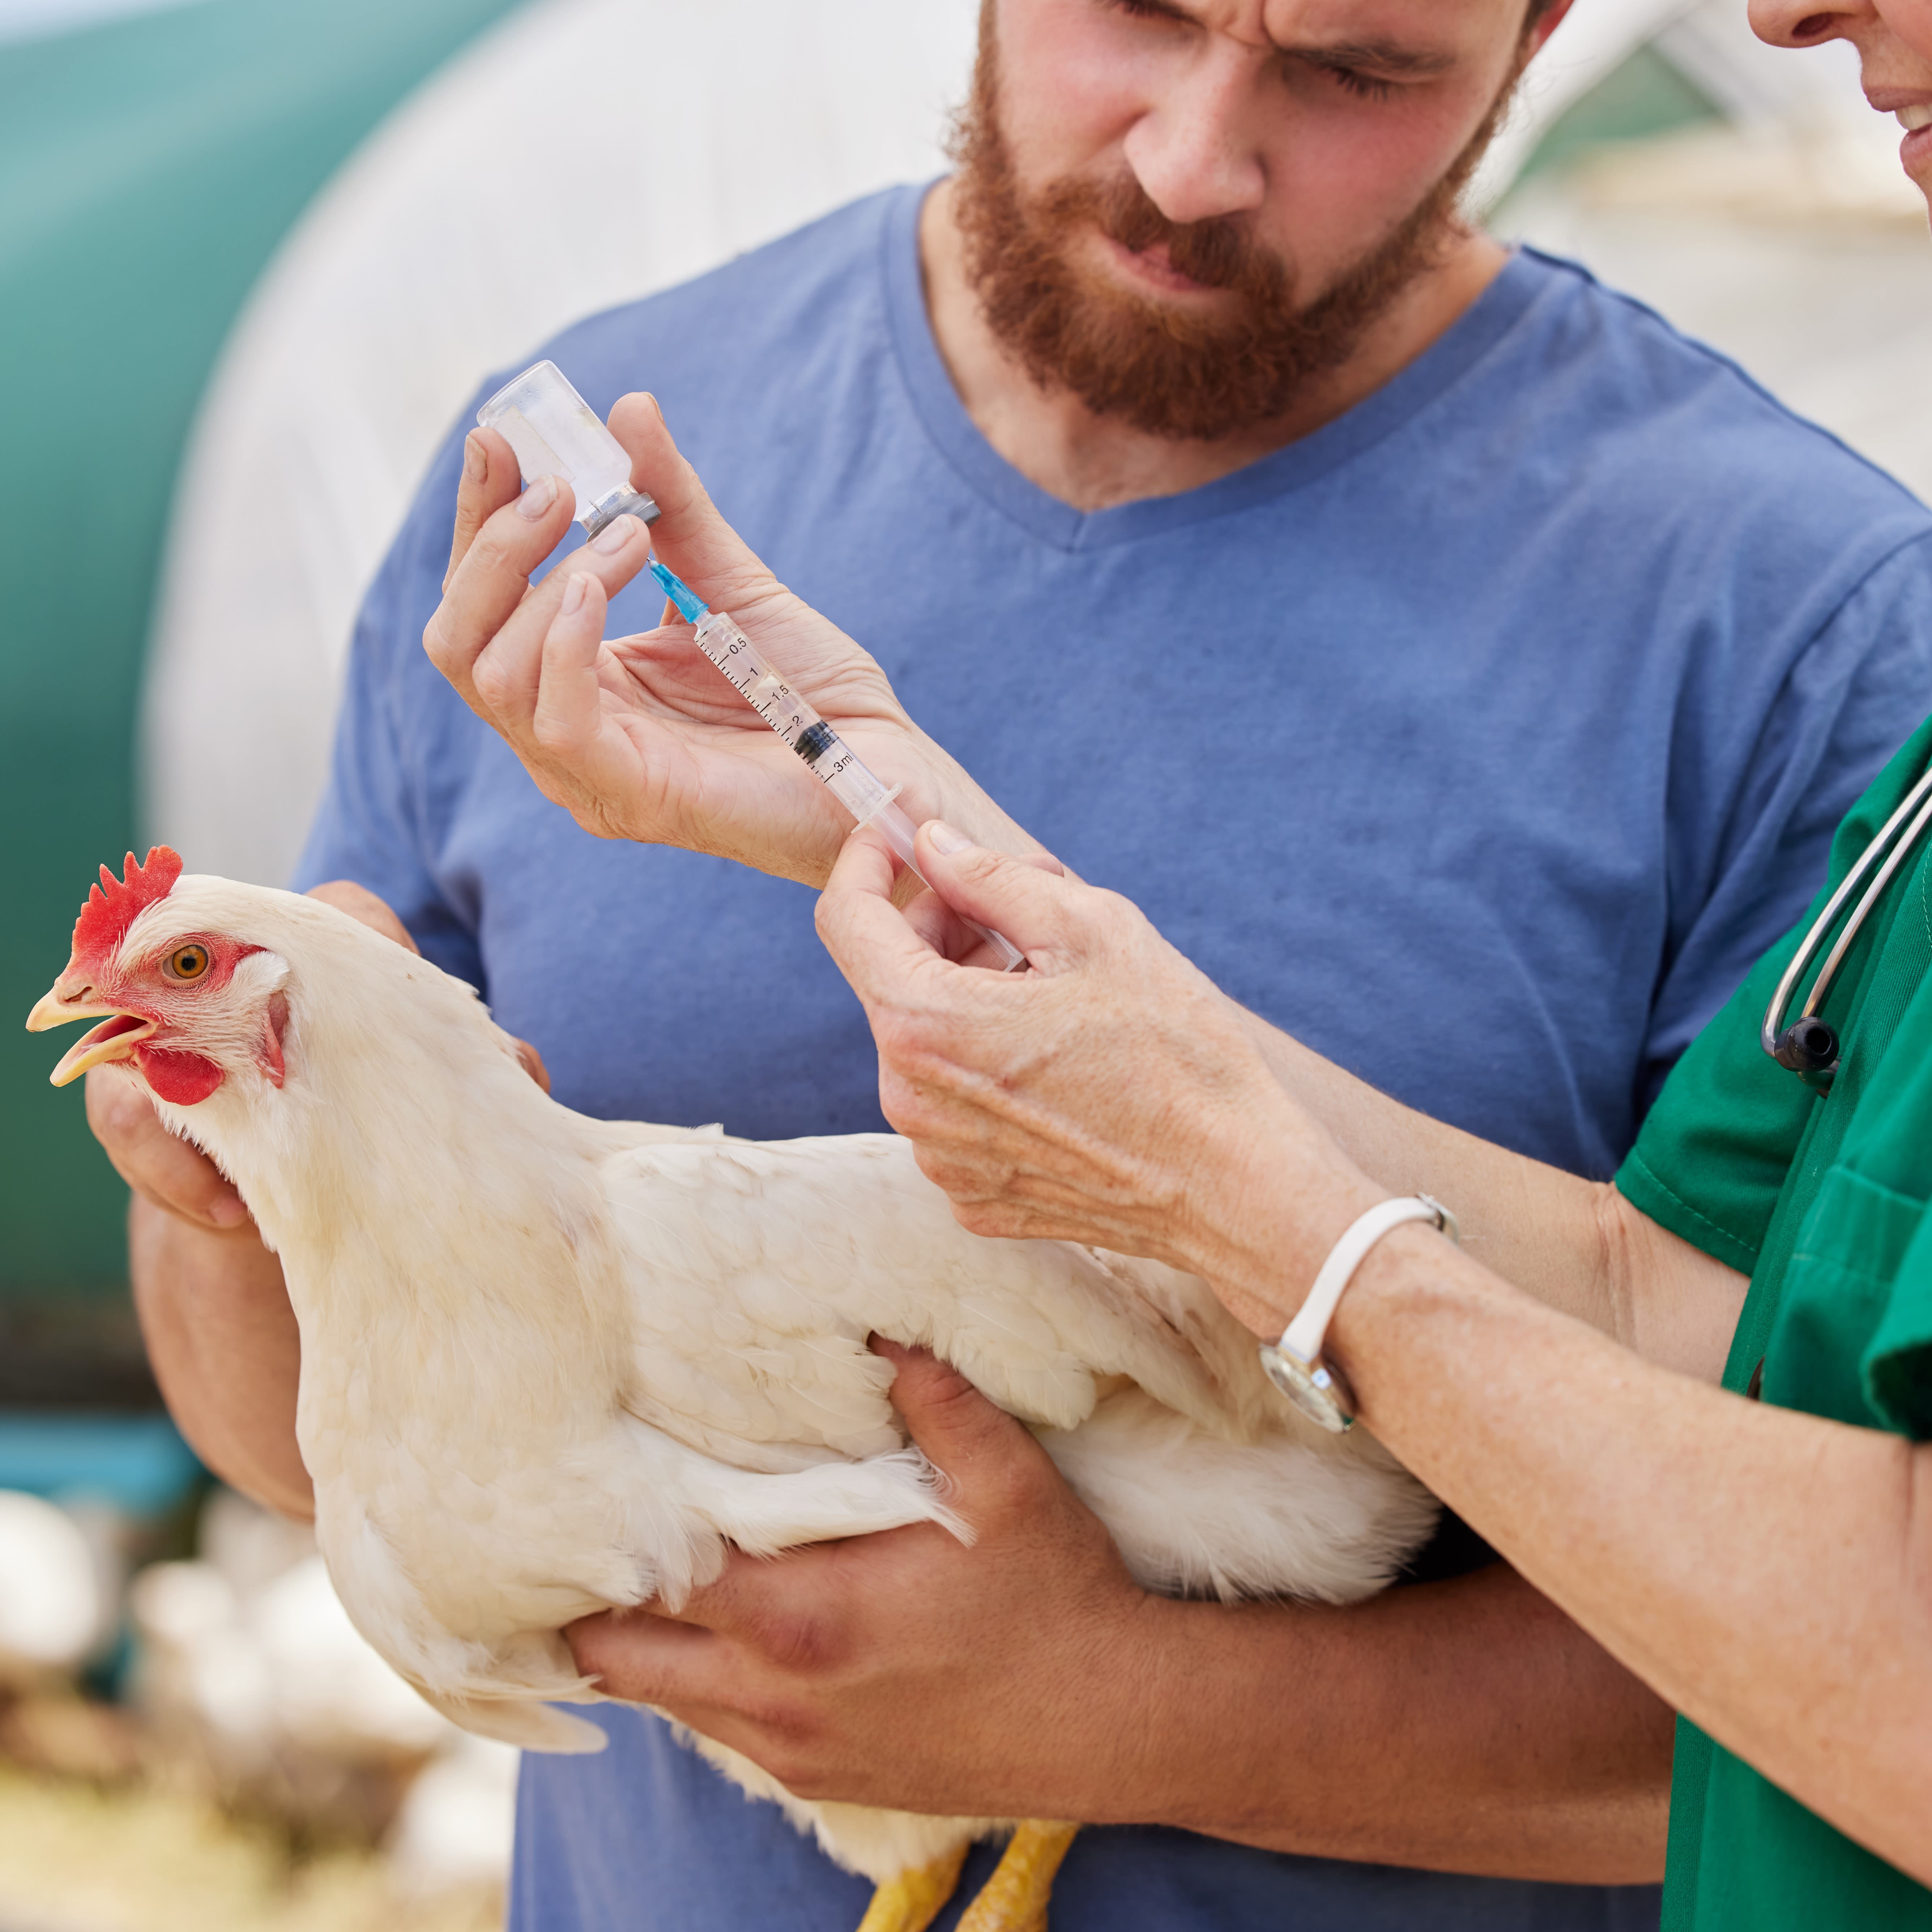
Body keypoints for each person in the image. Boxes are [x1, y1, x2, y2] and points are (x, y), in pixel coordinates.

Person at [95, 2, 1932, 1929]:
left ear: (1544, 25)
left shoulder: (1805, 633)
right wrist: (249, 1195)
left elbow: (1835, 1632)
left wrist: (1130, 1714)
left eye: (1357, 69)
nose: (1190, 158)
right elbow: (302, 1447)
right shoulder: (564, 522)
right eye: (1138, 7)